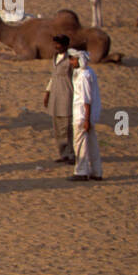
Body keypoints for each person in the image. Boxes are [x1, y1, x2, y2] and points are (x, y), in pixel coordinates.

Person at [69, 49, 102, 181]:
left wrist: (86, 119)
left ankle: (81, 172)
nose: (71, 62)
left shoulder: (83, 76)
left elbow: (86, 100)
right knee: (92, 144)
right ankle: (96, 172)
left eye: (73, 59)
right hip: (88, 116)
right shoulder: (89, 73)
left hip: (82, 116)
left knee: (80, 144)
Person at [44, 34, 74, 164]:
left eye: (59, 44)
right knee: (57, 127)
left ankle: (72, 155)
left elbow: (75, 78)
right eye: (55, 44)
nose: (56, 47)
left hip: (67, 94)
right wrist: (47, 93)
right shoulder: (55, 57)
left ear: (65, 46)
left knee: (68, 127)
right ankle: (63, 154)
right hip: (55, 94)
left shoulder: (71, 60)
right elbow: (53, 76)